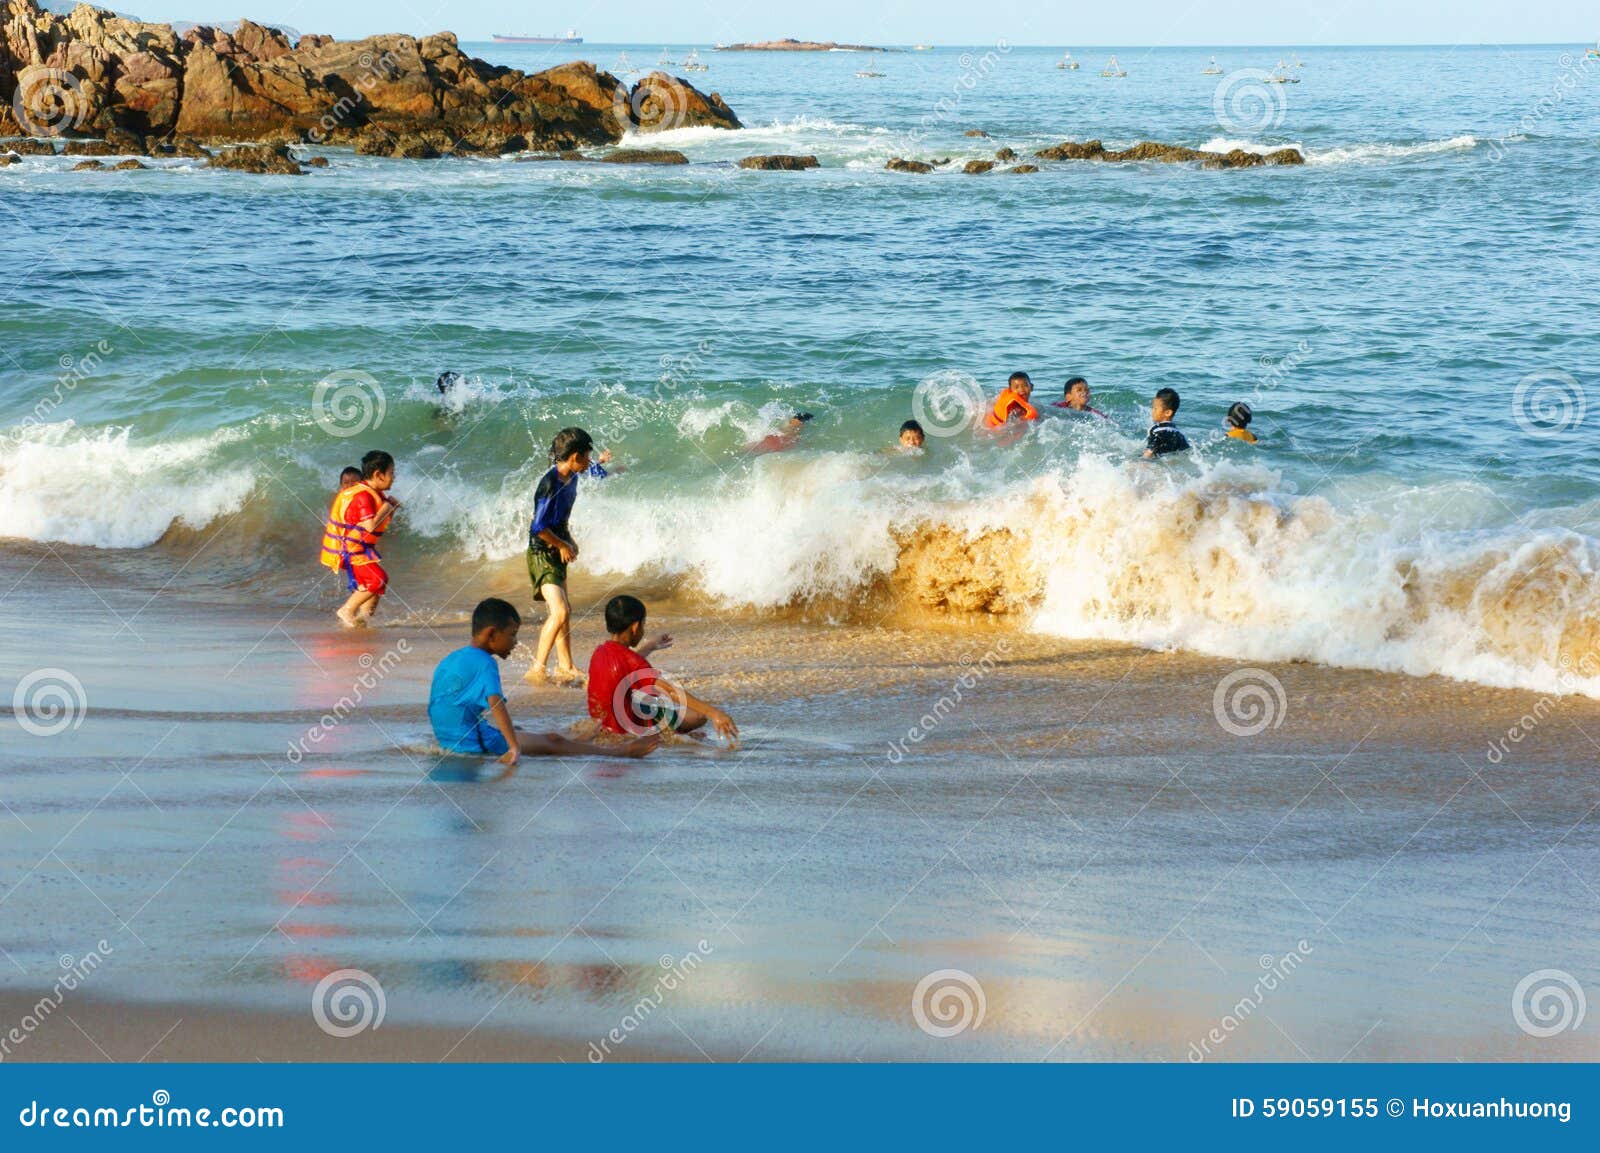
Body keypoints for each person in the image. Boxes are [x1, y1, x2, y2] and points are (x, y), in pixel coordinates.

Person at [429, 597, 658, 767]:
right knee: (553, 741)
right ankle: (621, 752)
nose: (515, 642)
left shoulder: (455, 657)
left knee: (517, 729)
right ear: (491, 634)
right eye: (512, 634)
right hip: (470, 743)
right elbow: (495, 702)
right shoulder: (485, 663)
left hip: (450, 736)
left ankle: (577, 739)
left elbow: (439, 702)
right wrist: (513, 747)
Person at [587, 595, 738, 740]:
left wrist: (649, 647)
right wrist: (715, 713)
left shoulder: (599, 652)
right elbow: (670, 691)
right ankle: (672, 733)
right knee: (698, 716)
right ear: (635, 626)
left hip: (603, 723)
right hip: (627, 727)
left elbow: (625, 667)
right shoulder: (632, 661)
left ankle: (672, 730)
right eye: (643, 625)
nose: (643, 630)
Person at [525, 427, 593, 685]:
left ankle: (566, 665)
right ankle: (537, 668)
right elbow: (538, 527)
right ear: (574, 457)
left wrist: (568, 541)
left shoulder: (571, 477)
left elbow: (559, 519)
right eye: (587, 457)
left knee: (565, 609)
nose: (589, 462)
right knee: (561, 611)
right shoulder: (549, 484)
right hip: (542, 552)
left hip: (557, 548)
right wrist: (561, 545)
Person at [320, 449, 400, 628]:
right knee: (378, 579)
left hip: (360, 549)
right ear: (378, 475)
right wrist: (388, 506)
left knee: (374, 587)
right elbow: (370, 526)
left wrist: (390, 508)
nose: (394, 477)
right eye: (391, 473)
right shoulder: (363, 496)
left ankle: (363, 618)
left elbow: (379, 526)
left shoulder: (374, 494)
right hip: (348, 550)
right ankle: (346, 611)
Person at [1144, 388, 1190, 458]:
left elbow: (1150, 451)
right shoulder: (1178, 434)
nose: (1152, 411)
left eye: (1155, 408)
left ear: (1168, 413)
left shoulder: (1158, 431)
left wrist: (1141, 459)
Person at [746, 412, 812, 455]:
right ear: (802, 424)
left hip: (757, 448)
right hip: (771, 450)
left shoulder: (777, 429)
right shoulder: (796, 437)